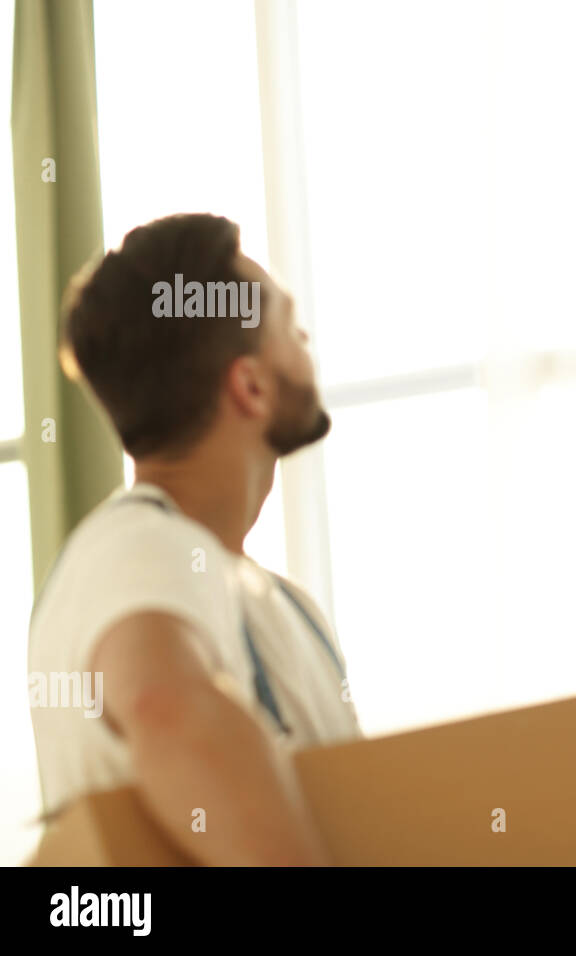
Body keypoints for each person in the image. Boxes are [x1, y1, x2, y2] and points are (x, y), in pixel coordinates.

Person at [28, 213, 359, 865]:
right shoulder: (135, 546)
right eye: (290, 326)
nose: (307, 336)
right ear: (251, 386)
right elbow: (163, 704)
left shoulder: (282, 604)